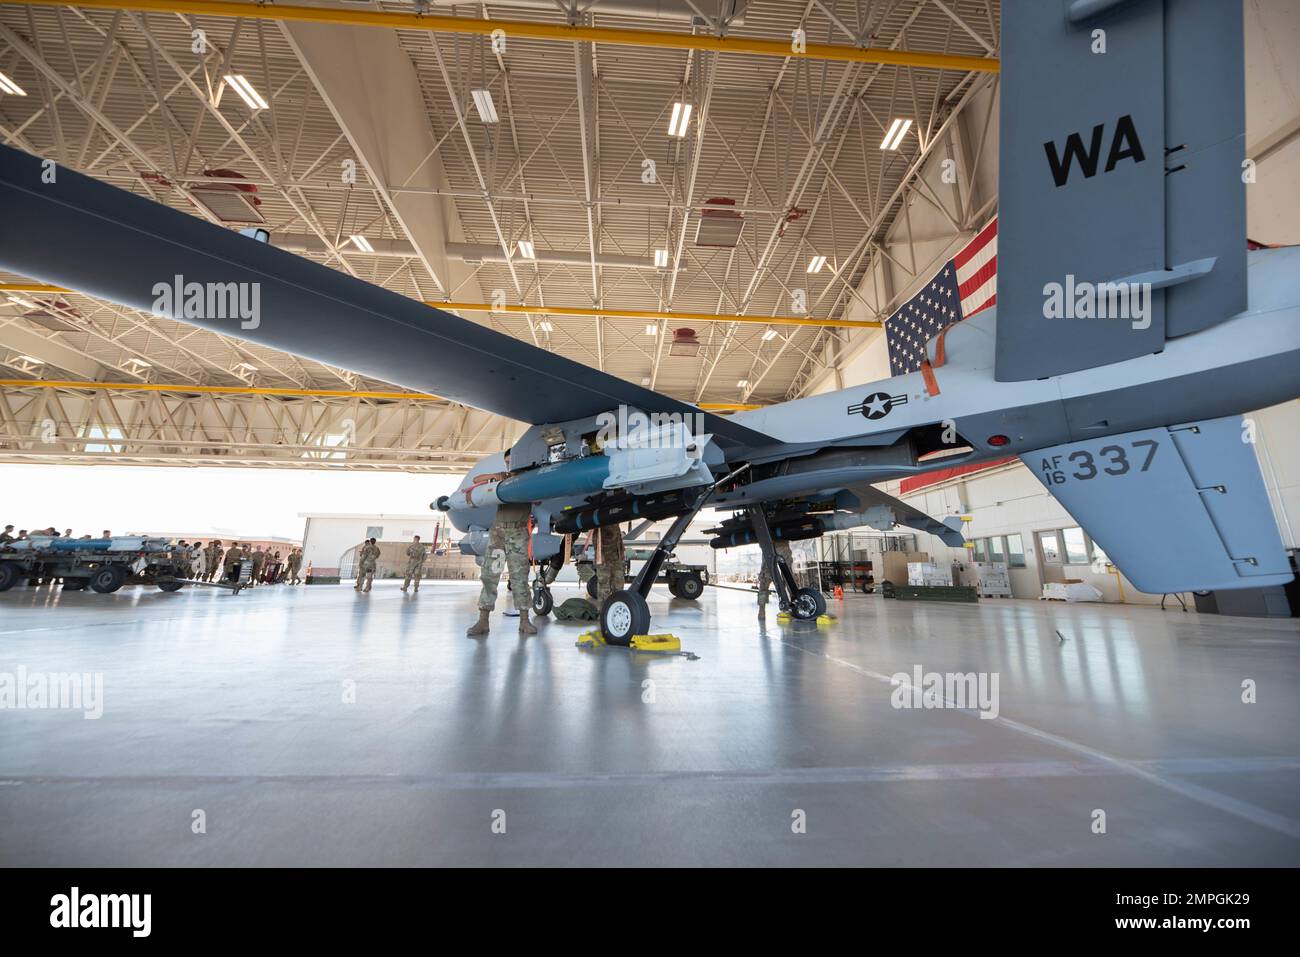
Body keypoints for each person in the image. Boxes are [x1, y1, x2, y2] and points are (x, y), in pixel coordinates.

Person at [465, 454, 536, 636]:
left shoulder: (530, 478)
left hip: (518, 532)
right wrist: (496, 477)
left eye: (512, 460)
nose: (509, 463)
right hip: (498, 532)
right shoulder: (501, 478)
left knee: (519, 577)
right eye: (507, 461)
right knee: (490, 575)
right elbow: (476, 481)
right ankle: (483, 621)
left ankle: (524, 621)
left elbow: (538, 499)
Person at [757, 539, 796, 615]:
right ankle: (796, 604)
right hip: (780, 544)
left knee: (765, 578)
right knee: (788, 576)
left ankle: (761, 610)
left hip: (767, 544)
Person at [594, 524, 626, 606]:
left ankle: (617, 608)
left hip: (616, 556)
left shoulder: (615, 522)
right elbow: (596, 541)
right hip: (603, 557)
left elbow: (618, 538)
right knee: (604, 586)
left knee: (618, 584)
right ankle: (603, 611)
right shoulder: (599, 524)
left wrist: (621, 552)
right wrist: (600, 555)